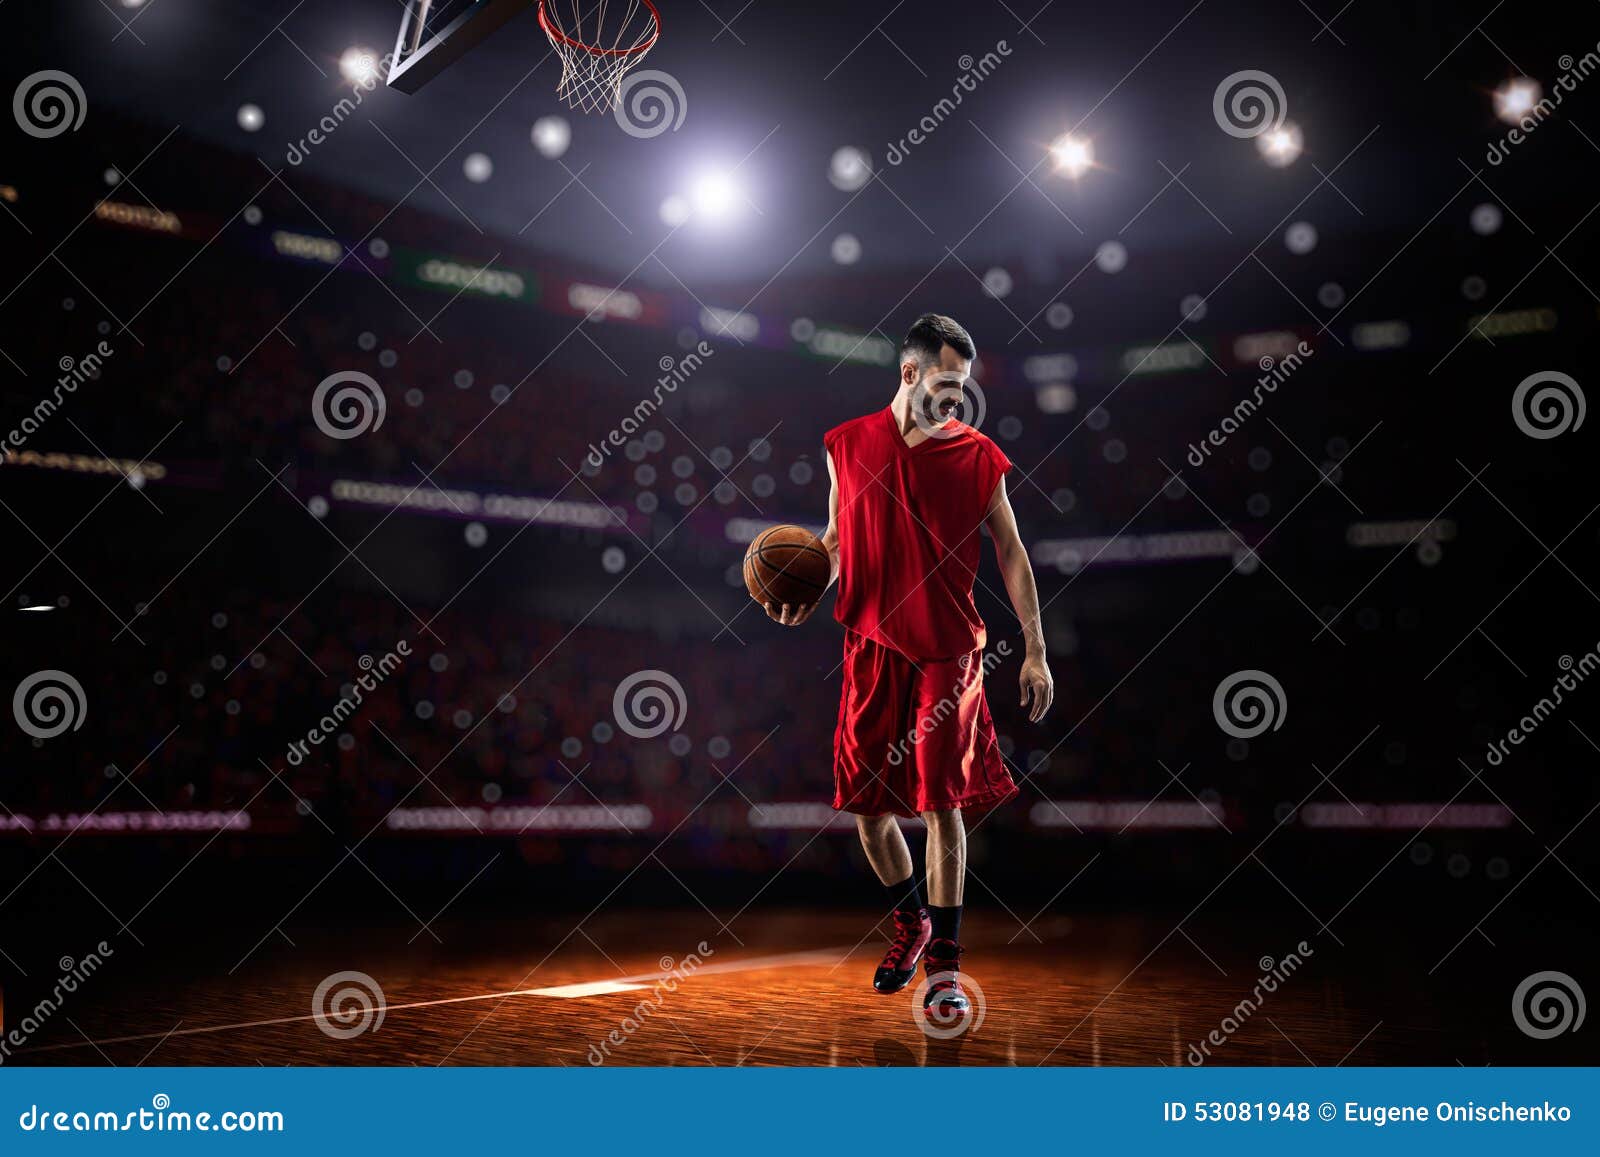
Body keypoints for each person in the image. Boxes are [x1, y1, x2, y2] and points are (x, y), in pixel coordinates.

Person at [765, 312, 1054, 1019]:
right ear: (910, 372)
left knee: (940, 806)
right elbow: (835, 540)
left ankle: (947, 969)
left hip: (948, 652)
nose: (957, 398)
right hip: (869, 645)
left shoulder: (980, 456)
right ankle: (911, 921)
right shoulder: (845, 444)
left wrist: (1036, 648)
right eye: (948, 383)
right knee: (867, 814)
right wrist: (808, 585)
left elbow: (1013, 553)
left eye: (963, 386)